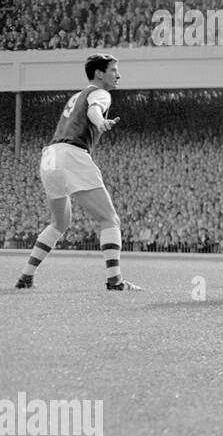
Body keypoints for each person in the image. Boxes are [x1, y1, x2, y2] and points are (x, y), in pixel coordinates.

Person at [14, 52, 141, 291]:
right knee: (109, 219)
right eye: (113, 70)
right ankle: (115, 281)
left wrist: (95, 120)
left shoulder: (76, 95)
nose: (118, 75)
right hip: (71, 154)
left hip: (50, 157)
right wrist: (99, 121)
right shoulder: (100, 93)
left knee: (59, 222)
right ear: (99, 73)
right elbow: (95, 109)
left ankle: (25, 277)